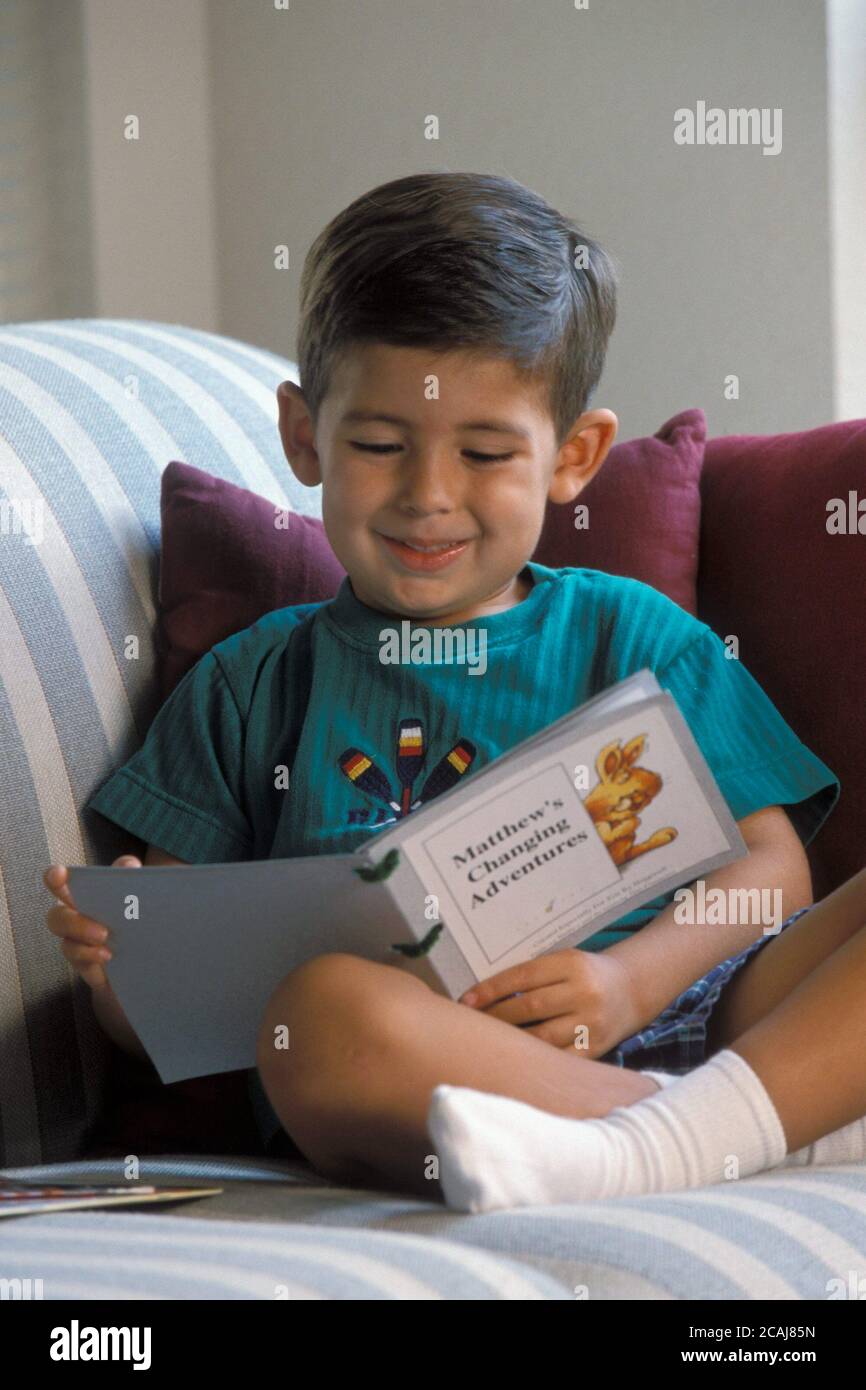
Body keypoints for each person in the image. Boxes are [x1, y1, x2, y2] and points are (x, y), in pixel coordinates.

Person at [44, 172, 859, 1209]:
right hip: (434, 1069)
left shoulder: (632, 633)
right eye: (379, 446)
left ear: (572, 457)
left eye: (482, 453)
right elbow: (186, 1002)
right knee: (324, 1015)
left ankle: (687, 1131)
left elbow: (773, 866)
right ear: (304, 438)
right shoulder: (253, 680)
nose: (428, 495)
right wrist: (123, 972)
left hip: (703, 1015)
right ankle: (736, 1132)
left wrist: (627, 982)